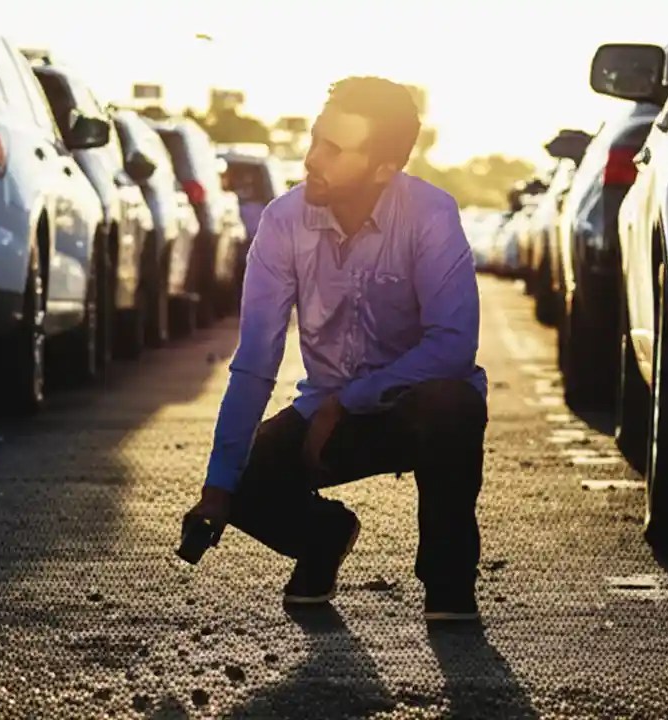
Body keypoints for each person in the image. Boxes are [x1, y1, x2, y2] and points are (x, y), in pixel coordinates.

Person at [184, 76, 488, 621]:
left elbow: (453, 345)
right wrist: (217, 487)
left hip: (409, 407)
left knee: (454, 404)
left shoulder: (431, 215)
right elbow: (256, 360)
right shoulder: (282, 223)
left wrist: (349, 400)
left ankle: (448, 580)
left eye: (333, 149)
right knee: (244, 475)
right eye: (315, 139)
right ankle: (323, 537)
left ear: (382, 170)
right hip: (326, 417)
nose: (310, 159)